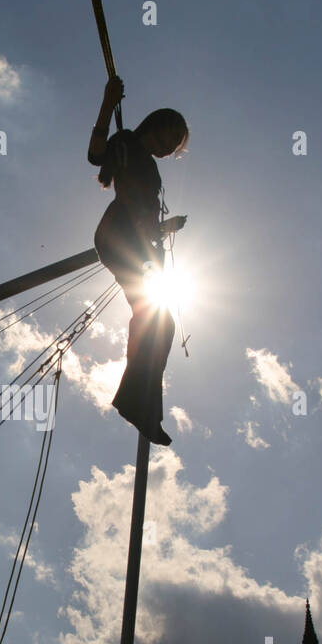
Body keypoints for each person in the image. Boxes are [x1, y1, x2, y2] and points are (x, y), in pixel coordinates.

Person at [89, 75, 189, 443]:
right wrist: (107, 102)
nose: (168, 149)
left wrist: (166, 228)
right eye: (169, 138)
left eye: (174, 146)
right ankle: (135, 403)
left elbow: (144, 220)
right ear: (156, 126)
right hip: (120, 237)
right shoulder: (127, 141)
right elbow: (95, 154)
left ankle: (141, 406)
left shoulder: (148, 165)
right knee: (154, 320)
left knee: (160, 324)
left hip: (135, 244)